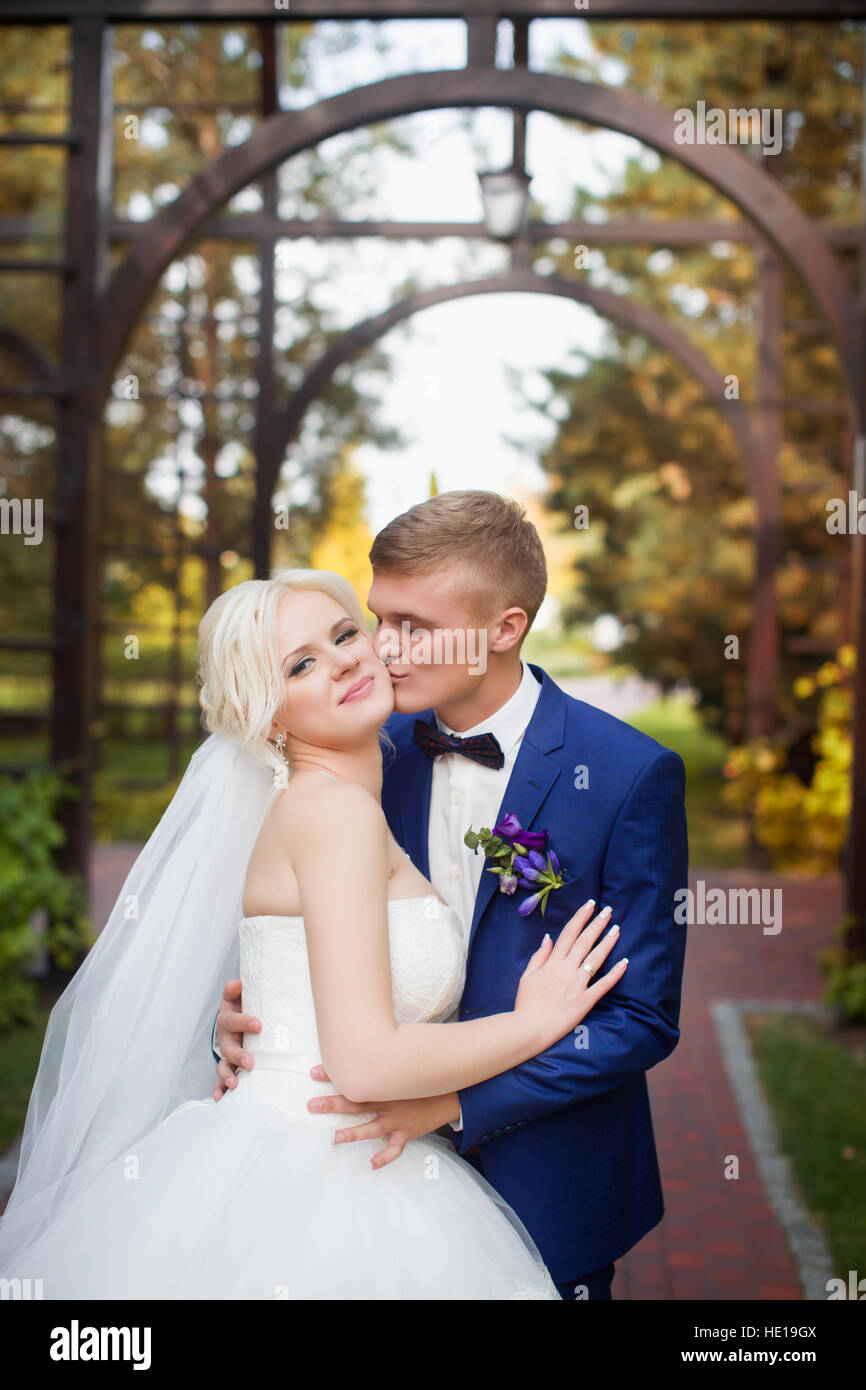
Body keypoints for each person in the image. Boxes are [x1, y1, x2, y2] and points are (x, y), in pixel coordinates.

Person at [0, 566, 627, 1299]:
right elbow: (362, 1064)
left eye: (343, 634)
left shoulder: (331, 799)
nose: (344, 660)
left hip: (292, 1142)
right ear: (268, 716)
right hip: (328, 1165)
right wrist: (534, 1023)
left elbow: (295, 988)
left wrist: (242, 1028)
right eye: (302, 663)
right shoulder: (337, 814)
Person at [216, 491, 689, 1302]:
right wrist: (243, 1028)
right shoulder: (359, 747)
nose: (381, 650)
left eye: (415, 627)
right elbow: (293, 940)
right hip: (350, 1184)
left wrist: (456, 1103)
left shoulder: (625, 776)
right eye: (377, 618)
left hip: (548, 1185)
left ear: (504, 629)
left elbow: (639, 1017)